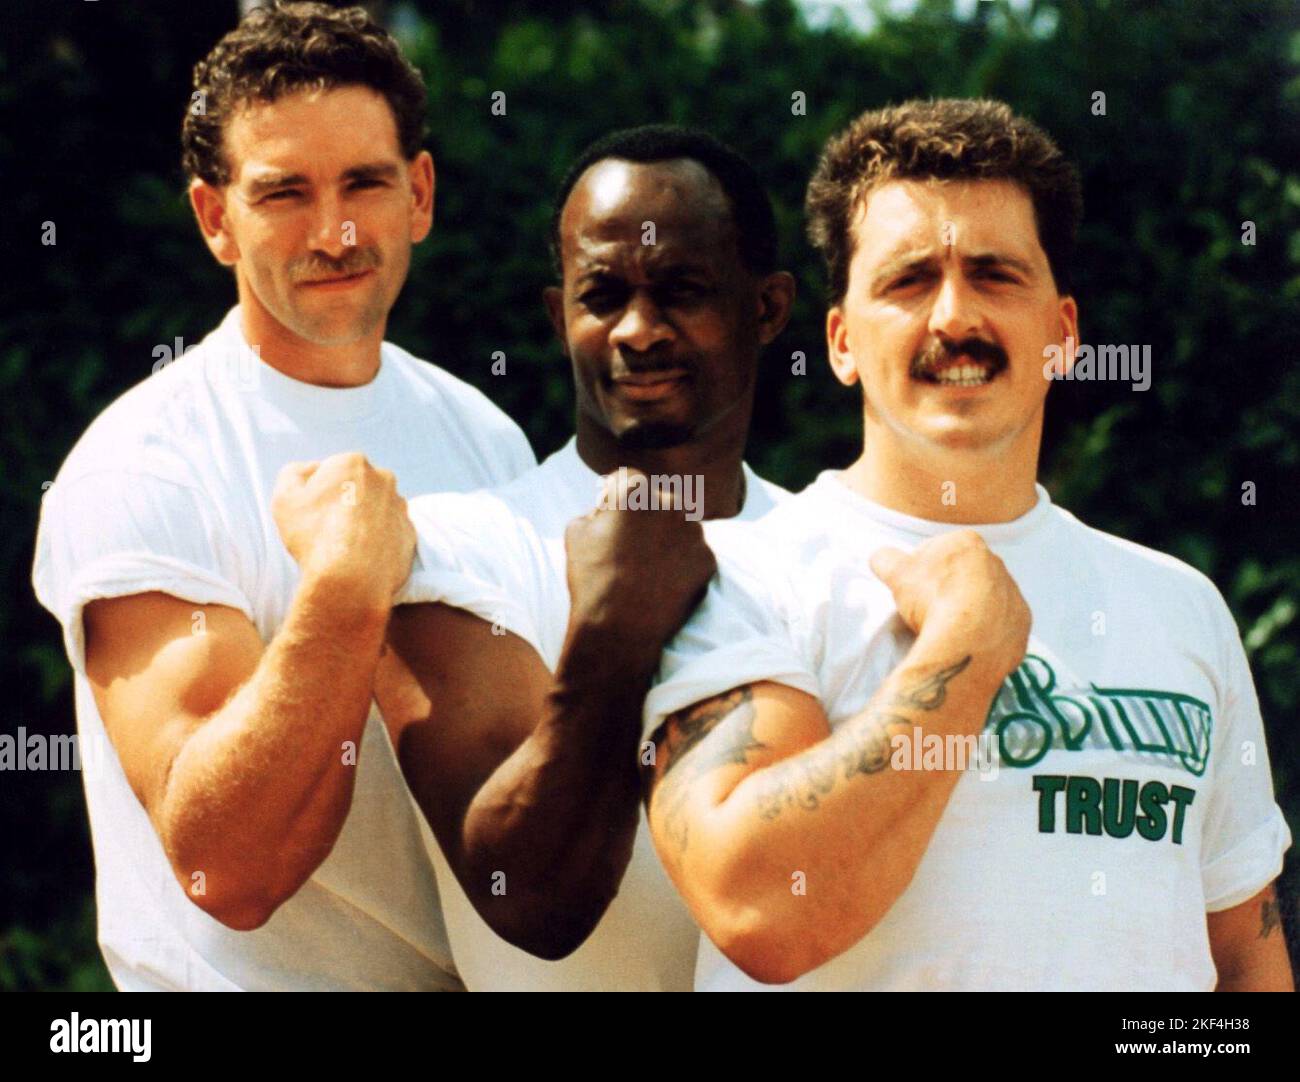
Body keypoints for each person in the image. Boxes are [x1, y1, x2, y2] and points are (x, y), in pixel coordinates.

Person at [641, 99, 1294, 992]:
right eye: (909, 280)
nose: (954, 316)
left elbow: (1243, 964)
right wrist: (966, 648)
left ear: (1064, 334)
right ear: (841, 342)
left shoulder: (1181, 606)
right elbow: (759, 906)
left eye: (995, 274)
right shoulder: (742, 570)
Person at [31, 1, 533, 991]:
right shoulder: (144, 462)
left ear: (420, 194)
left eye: (365, 183)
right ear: (216, 219)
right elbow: (232, 866)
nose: (335, 230)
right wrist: (346, 590)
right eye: (284, 193)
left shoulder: (487, 436)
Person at [371, 125, 796, 990]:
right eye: (601, 295)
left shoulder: (838, 550)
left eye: (682, 291)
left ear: (767, 308)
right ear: (558, 312)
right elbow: (528, 899)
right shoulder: (453, 552)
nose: (639, 332)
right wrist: (611, 631)